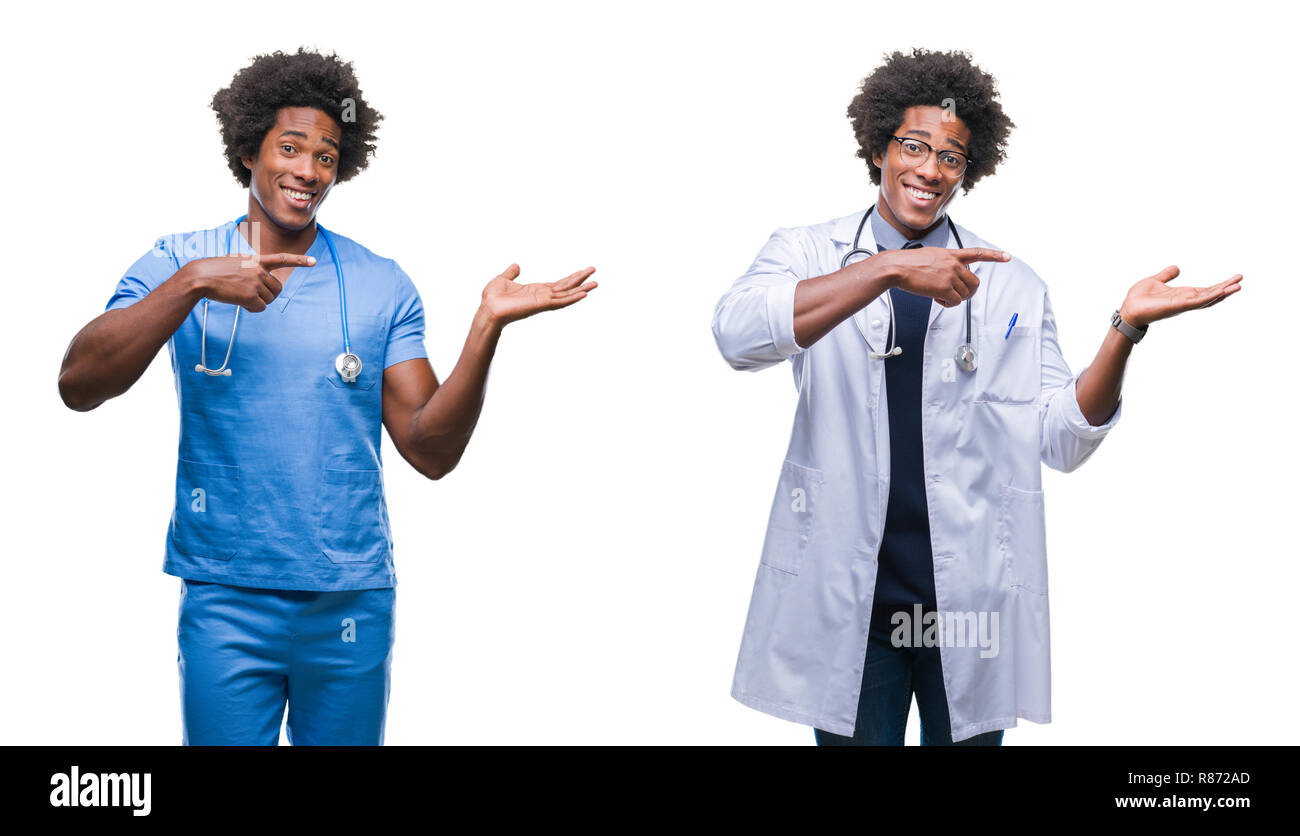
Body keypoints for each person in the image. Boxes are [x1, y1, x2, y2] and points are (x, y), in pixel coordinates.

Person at [56, 48, 597, 745]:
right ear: (249, 149)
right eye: (290, 148)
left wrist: (485, 329)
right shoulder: (177, 260)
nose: (308, 171)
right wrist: (191, 284)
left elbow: (431, 450)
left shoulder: (381, 283)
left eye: (327, 155)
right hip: (226, 596)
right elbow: (78, 383)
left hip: (350, 600)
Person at [711, 48, 1241, 745]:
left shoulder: (1012, 283)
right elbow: (738, 335)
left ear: (970, 170)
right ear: (877, 148)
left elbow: (1060, 437)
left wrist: (1125, 331)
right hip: (853, 600)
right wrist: (890, 268)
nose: (931, 170)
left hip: (967, 607)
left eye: (952, 157)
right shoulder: (809, 253)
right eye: (915, 146)